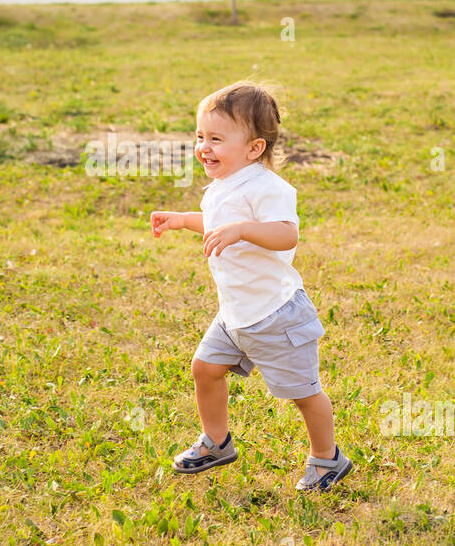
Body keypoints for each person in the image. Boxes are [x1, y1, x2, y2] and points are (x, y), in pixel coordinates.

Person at [149, 80, 352, 492]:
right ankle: (217, 442)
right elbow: (220, 223)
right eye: (200, 136)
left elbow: (285, 235)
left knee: (303, 393)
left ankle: (328, 459)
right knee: (205, 369)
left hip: (276, 315)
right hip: (235, 315)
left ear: (254, 148)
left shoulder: (269, 187)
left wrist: (243, 229)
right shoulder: (225, 183)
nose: (204, 147)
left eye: (217, 138)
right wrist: (184, 219)